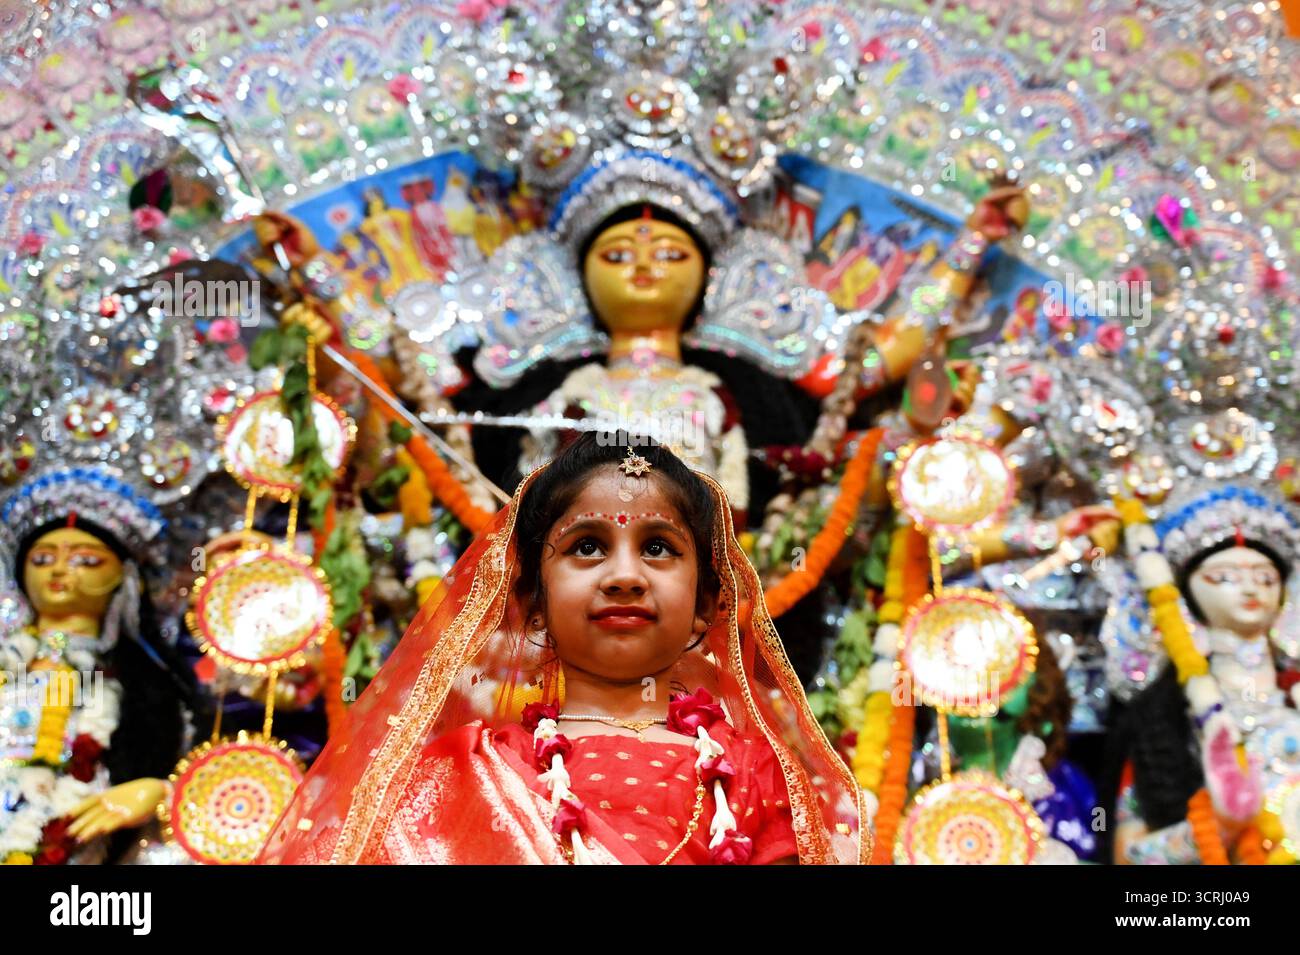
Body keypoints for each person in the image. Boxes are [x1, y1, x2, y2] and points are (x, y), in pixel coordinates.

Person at [259, 432, 865, 864]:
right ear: (535, 598)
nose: (624, 575)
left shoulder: (754, 771)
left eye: (659, 547)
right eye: (586, 547)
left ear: (707, 600)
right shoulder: (466, 774)